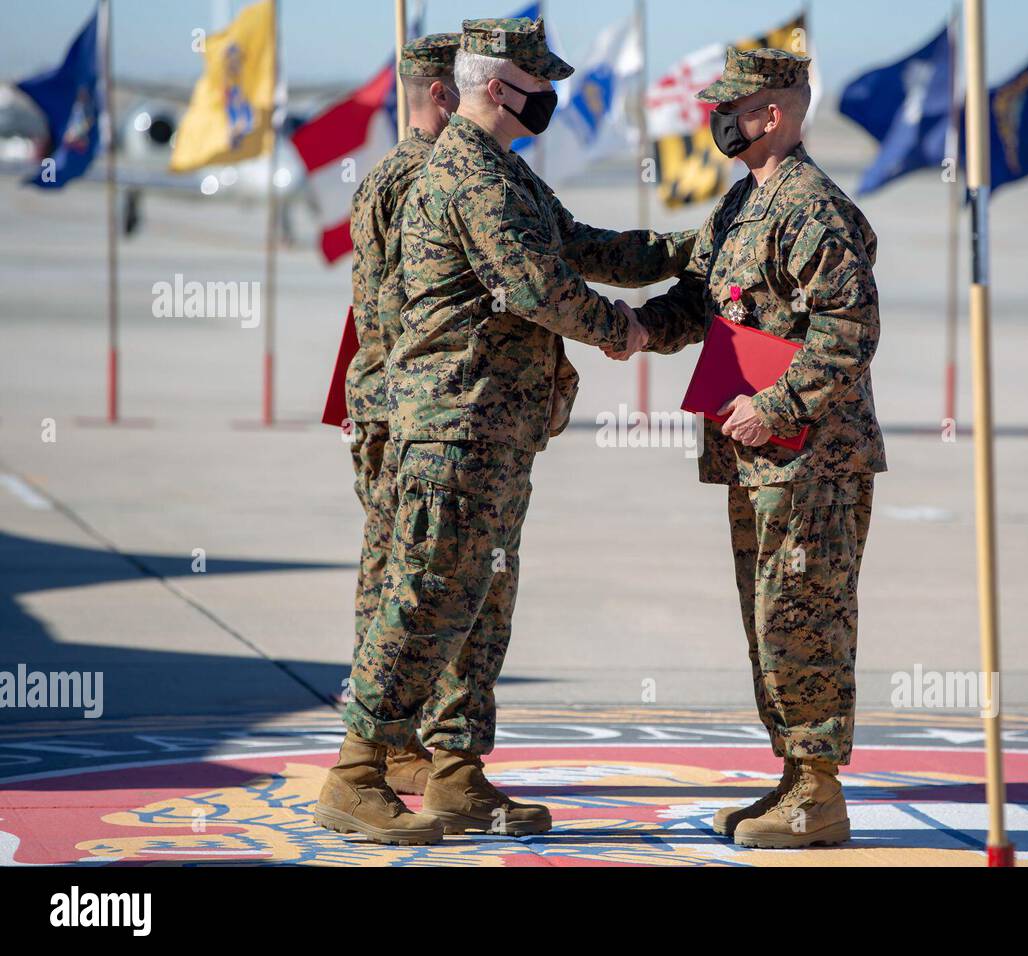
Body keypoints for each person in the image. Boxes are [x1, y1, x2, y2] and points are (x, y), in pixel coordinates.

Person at [314, 16, 695, 845]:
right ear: (495, 87)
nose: (551, 99)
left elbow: (582, 246)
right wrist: (622, 331)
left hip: (496, 433)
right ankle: (356, 772)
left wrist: (693, 251)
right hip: (453, 423)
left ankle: (456, 776)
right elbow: (538, 287)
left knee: (478, 605)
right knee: (426, 596)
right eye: (537, 85)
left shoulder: (504, 174)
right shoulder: (468, 175)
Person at [626, 48, 887, 849]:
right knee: (769, 616)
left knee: (804, 616)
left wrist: (775, 405)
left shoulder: (811, 208)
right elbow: (700, 299)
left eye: (733, 109)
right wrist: (635, 330)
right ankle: (793, 777)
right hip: (760, 460)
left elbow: (852, 327)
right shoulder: (744, 203)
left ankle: (817, 789)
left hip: (810, 458)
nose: (719, 121)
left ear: (772, 114)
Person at [342, 34, 461, 801]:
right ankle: (389, 746)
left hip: (382, 400)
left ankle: (390, 743)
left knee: (389, 572)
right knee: (417, 580)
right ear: (444, 96)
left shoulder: (387, 175)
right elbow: (400, 307)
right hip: (409, 405)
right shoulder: (426, 178)